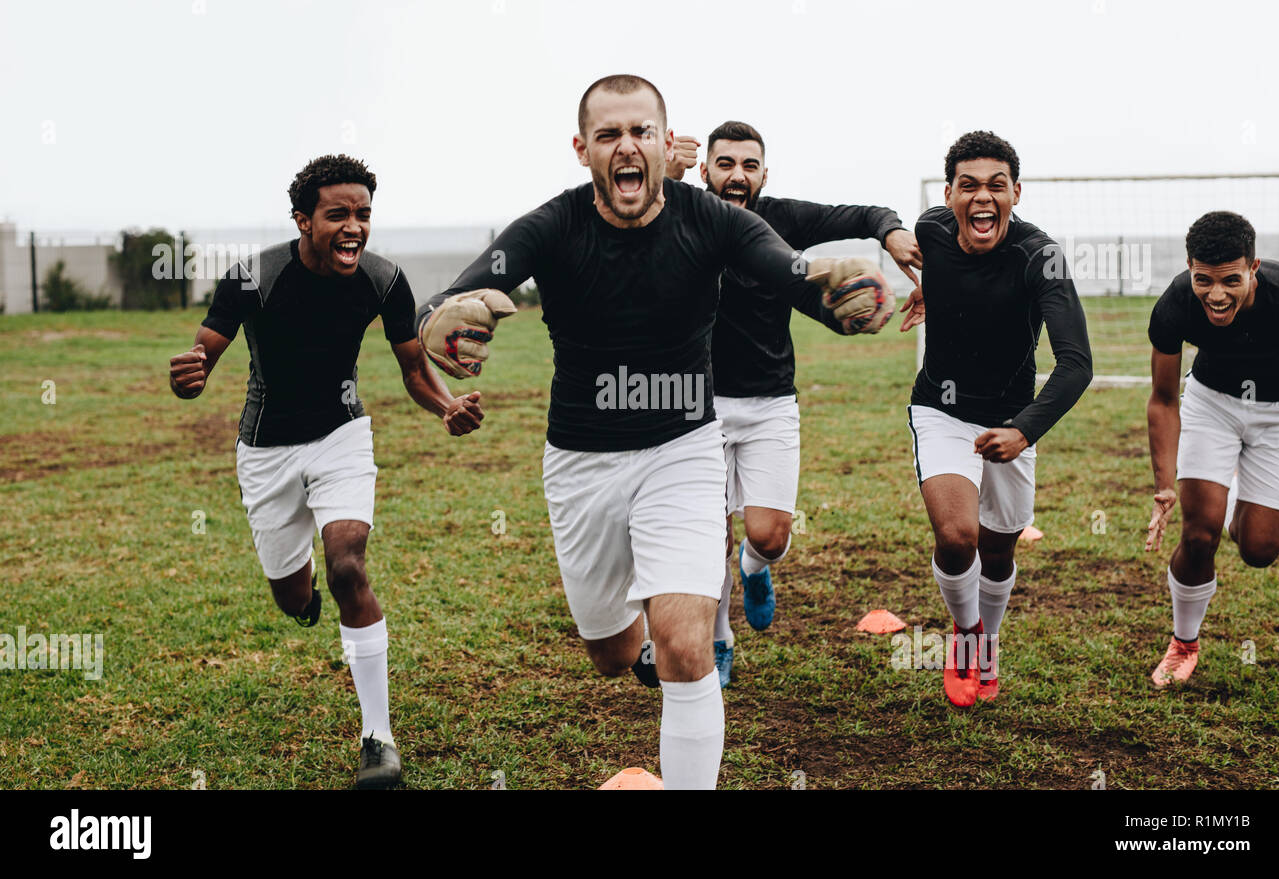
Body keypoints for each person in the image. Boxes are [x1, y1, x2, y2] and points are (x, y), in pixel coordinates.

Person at [416, 74, 890, 788]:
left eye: (641, 131)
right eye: (609, 134)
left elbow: (784, 267)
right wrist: (449, 318)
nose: (626, 146)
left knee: (686, 645)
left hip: (683, 451)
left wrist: (828, 282)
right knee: (611, 654)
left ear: (667, 145)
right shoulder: (551, 226)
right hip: (581, 464)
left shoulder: (714, 220)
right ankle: (628, 645)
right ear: (583, 150)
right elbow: (464, 290)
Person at [167, 154, 484, 788]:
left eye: (363, 214)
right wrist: (189, 377)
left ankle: (378, 739)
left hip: (342, 435)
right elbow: (199, 361)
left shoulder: (383, 281)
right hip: (266, 450)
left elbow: (415, 370)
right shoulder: (254, 279)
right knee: (293, 599)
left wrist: (446, 406)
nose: (354, 227)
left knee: (349, 565)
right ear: (303, 221)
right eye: (337, 214)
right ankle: (302, 587)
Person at [666, 120, 921, 686]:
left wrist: (892, 232)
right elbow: (628, 224)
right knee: (707, 532)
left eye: (749, 165)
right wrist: (665, 175)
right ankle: (718, 638)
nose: (737, 176)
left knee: (769, 535)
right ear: (705, 168)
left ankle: (755, 569)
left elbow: (860, 215)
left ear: (763, 174)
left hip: (769, 401)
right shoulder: (679, 212)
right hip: (691, 407)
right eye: (725, 164)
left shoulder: (782, 217)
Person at [902, 131, 1092, 707]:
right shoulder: (930, 231)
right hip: (941, 409)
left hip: (1011, 421)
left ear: (1015, 193)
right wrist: (933, 293)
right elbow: (946, 272)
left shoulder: (1041, 256)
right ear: (950, 193)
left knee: (999, 548)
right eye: (969, 186)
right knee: (958, 536)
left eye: (996, 186)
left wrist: (1024, 429)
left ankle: (991, 643)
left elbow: (1077, 363)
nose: (982, 197)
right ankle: (965, 636)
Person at [1144, 211, 1279, 686]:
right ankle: (1183, 644)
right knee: (1199, 534)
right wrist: (1165, 485)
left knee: (1258, 549)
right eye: (1203, 280)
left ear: (1253, 268)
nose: (1216, 294)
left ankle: (1229, 495)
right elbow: (1164, 399)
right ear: (1189, 266)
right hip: (1213, 405)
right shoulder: (1174, 304)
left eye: (1231, 280)